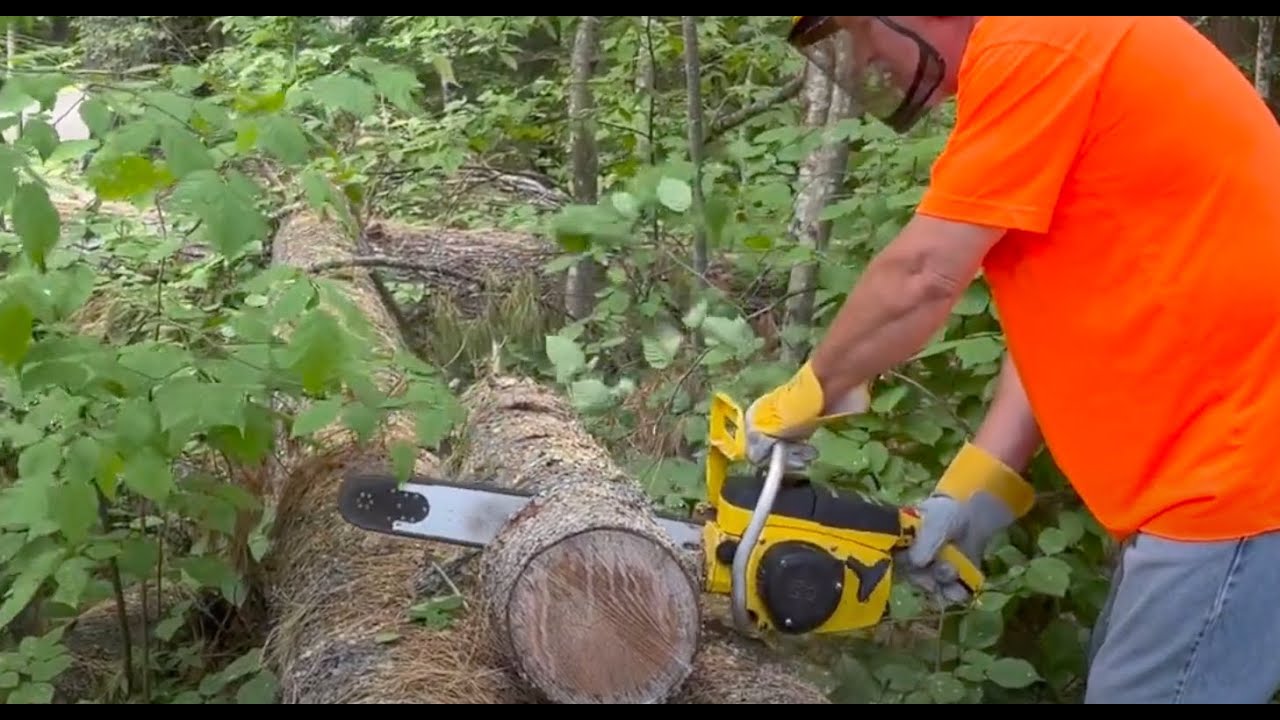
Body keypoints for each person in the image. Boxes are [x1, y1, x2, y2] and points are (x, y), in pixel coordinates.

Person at [744, 16, 1280, 704]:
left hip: (1238, 472)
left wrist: (811, 392)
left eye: (875, 53)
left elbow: (923, 277)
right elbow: (1064, 314)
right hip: (1215, 470)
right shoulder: (1046, 49)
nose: (878, 76)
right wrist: (980, 487)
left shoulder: (1040, 42)